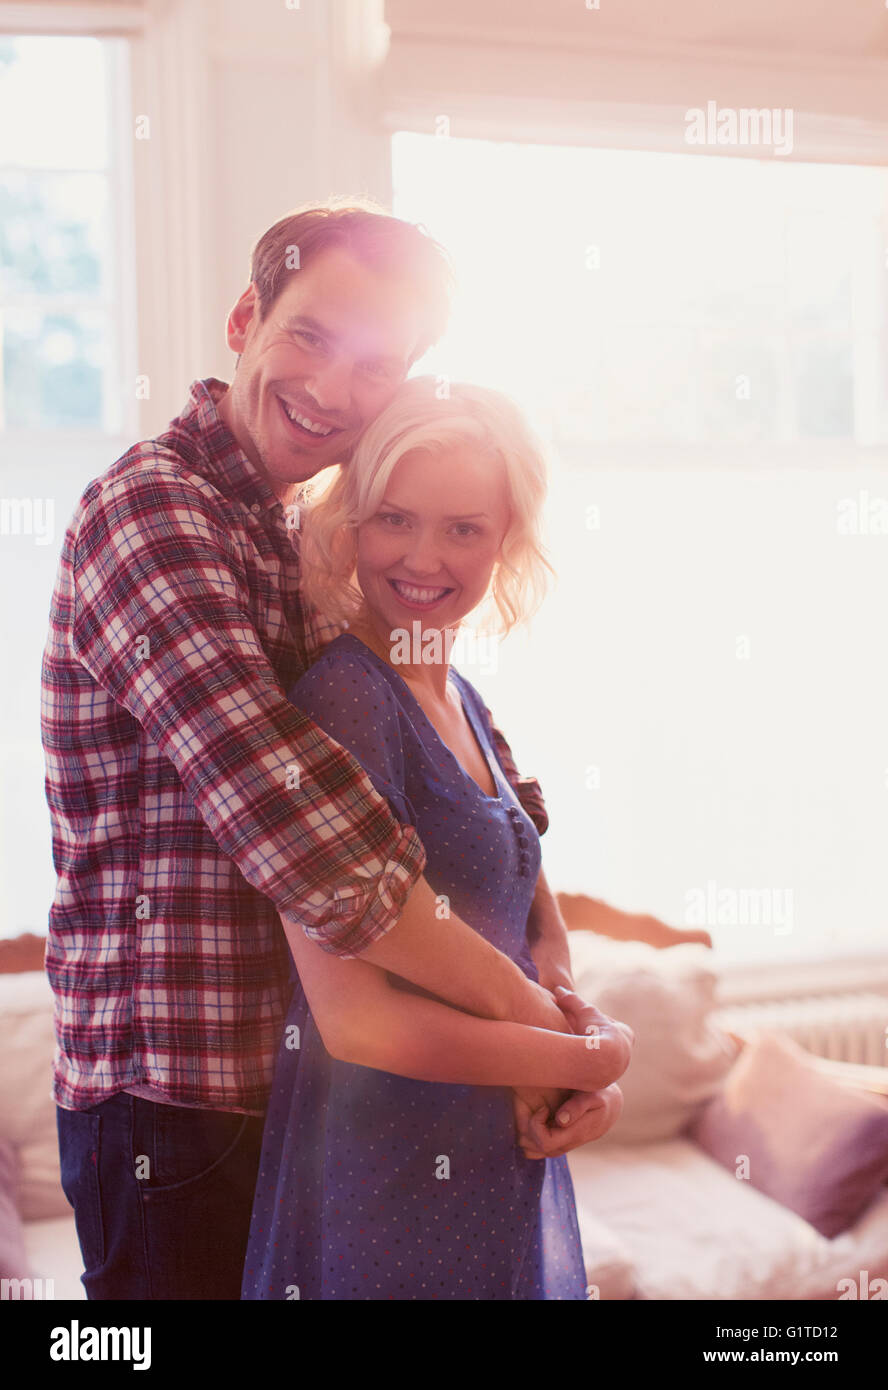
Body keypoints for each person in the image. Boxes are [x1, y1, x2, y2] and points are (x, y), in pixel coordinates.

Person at [41, 200, 647, 1302]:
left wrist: (563, 1019)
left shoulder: (300, 552)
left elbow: (499, 803)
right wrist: (564, 1041)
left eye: (376, 365)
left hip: (299, 1110)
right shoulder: (155, 511)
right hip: (173, 1108)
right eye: (310, 336)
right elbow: (305, 833)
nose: (331, 387)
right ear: (243, 317)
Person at [240, 376, 632, 1300]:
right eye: (394, 519)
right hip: (386, 1163)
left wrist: (582, 1047)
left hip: (501, 1144)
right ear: (352, 525)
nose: (424, 557)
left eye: (464, 528)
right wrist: (588, 1059)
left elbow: (537, 929)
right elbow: (356, 1020)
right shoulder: (346, 698)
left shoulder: (467, 700)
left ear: (508, 540)